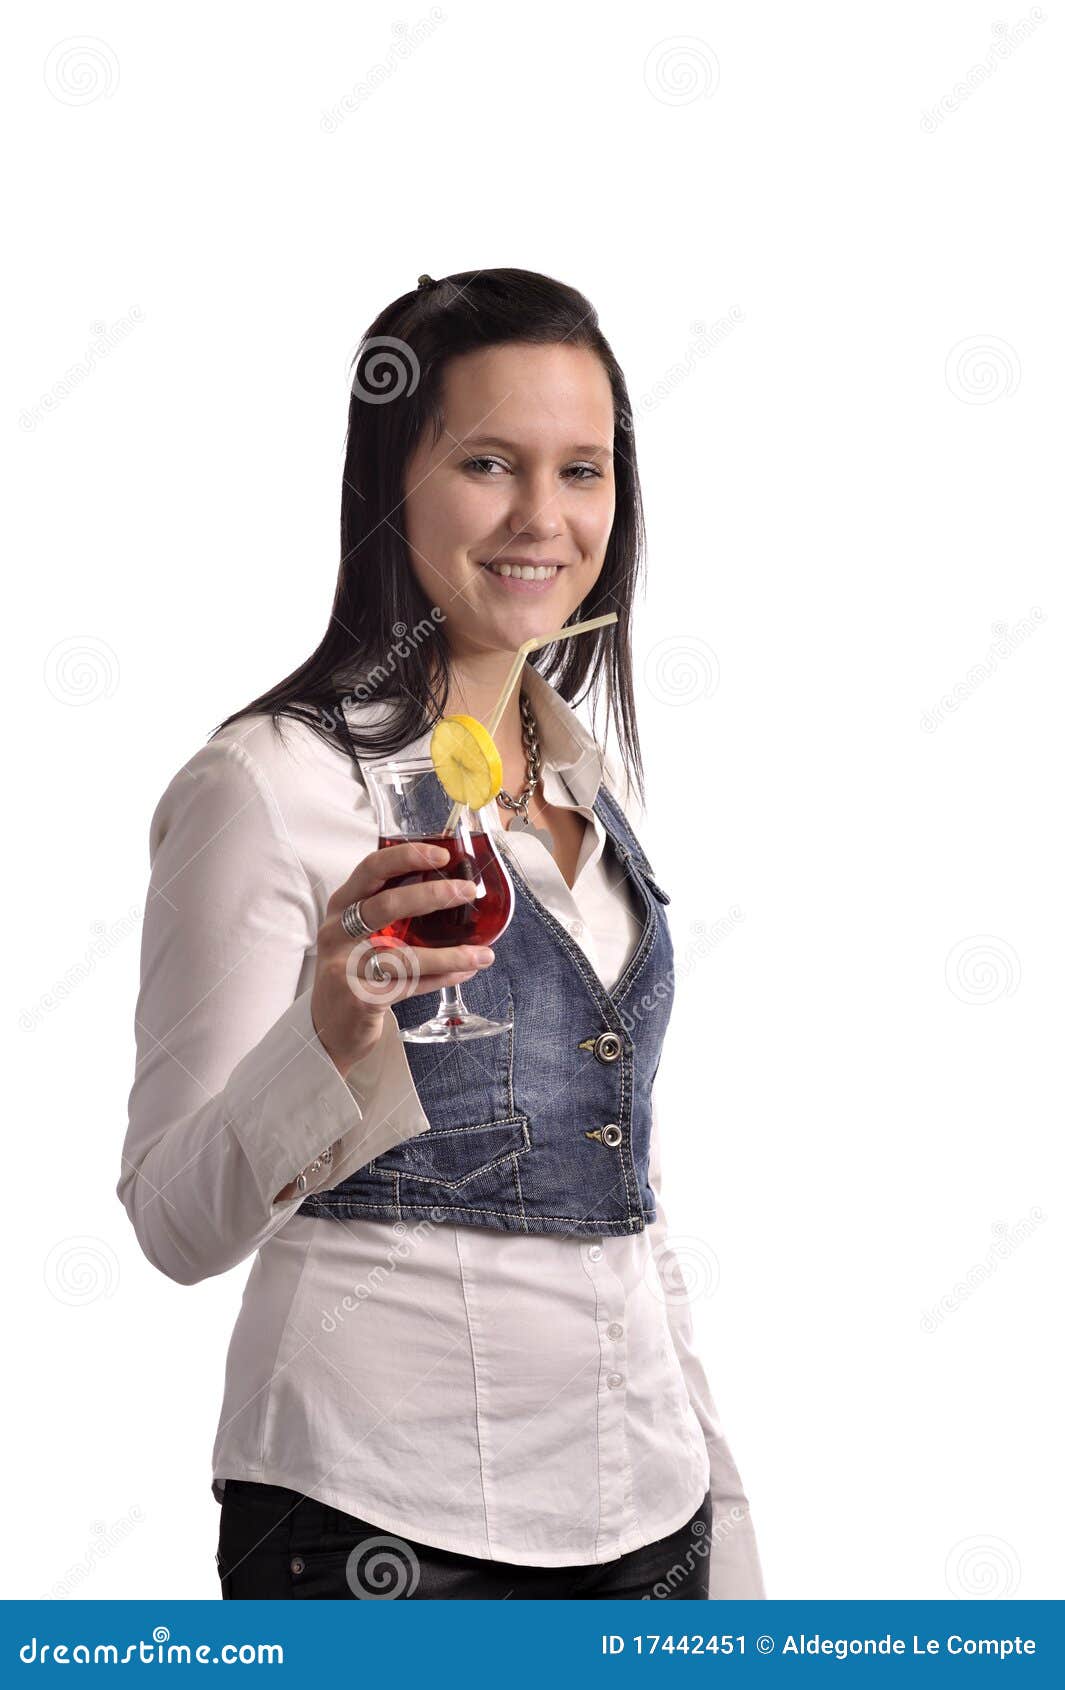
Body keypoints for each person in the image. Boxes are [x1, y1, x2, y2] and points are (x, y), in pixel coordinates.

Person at [117, 268, 766, 1600]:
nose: (543, 515)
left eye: (581, 469)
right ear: (390, 484)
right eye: (487, 462)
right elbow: (173, 1222)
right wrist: (330, 1029)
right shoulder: (267, 787)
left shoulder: (590, 782)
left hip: (646, 1521)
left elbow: (618, 1199)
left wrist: (727, 1535)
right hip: (380, 1526)